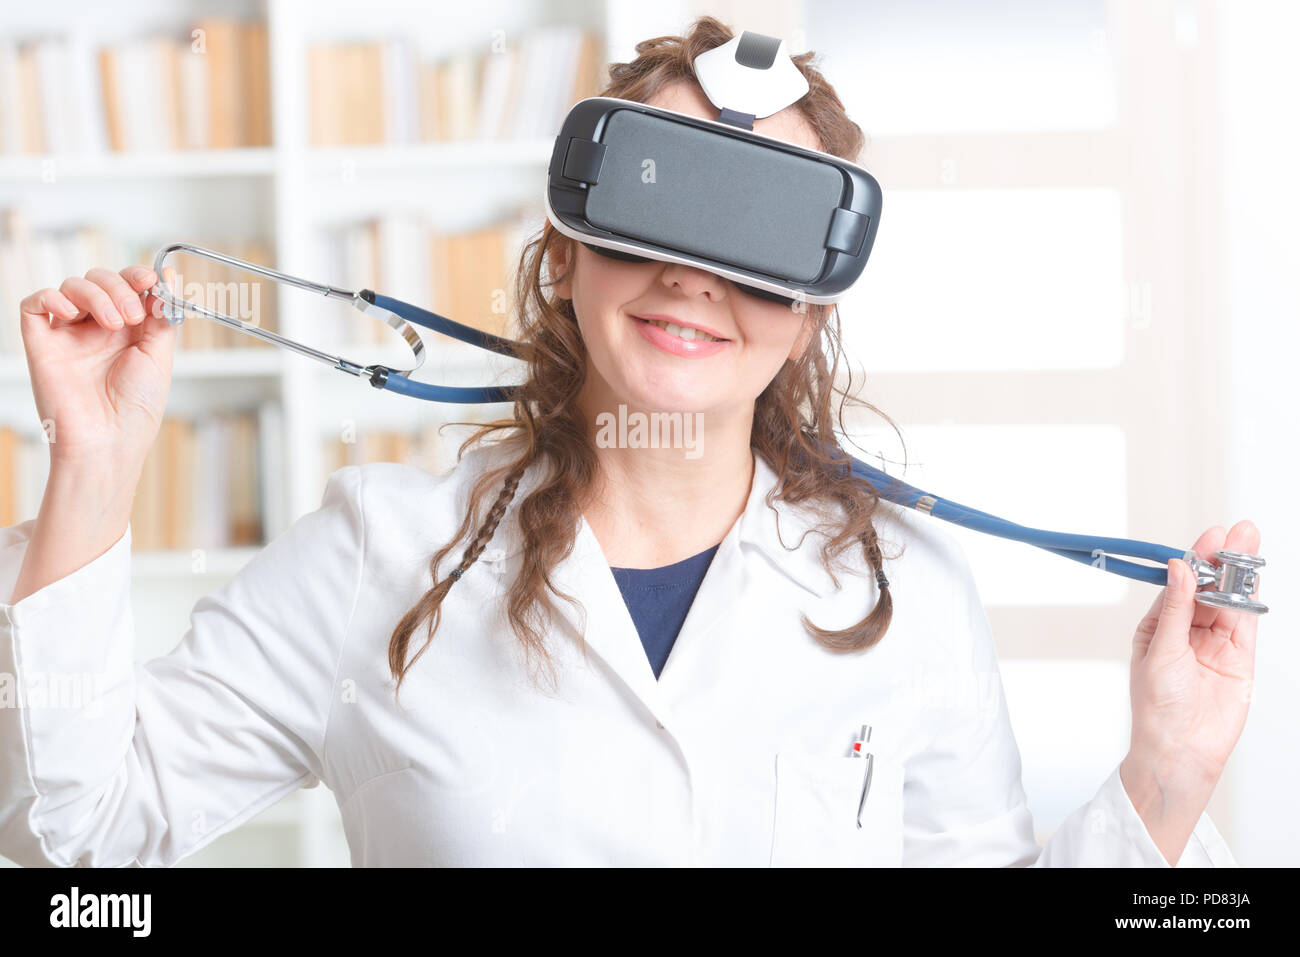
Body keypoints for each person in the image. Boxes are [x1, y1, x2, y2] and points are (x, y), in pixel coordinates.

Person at [0, 17, 1256, 867]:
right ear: (567, 256)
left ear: (810, 313)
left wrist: (1167, 775)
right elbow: (83, 830)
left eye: (753, 235)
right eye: (656, 210)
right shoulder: (376, 554)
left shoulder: (909, 601)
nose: (693, 277)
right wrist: (94, 473)